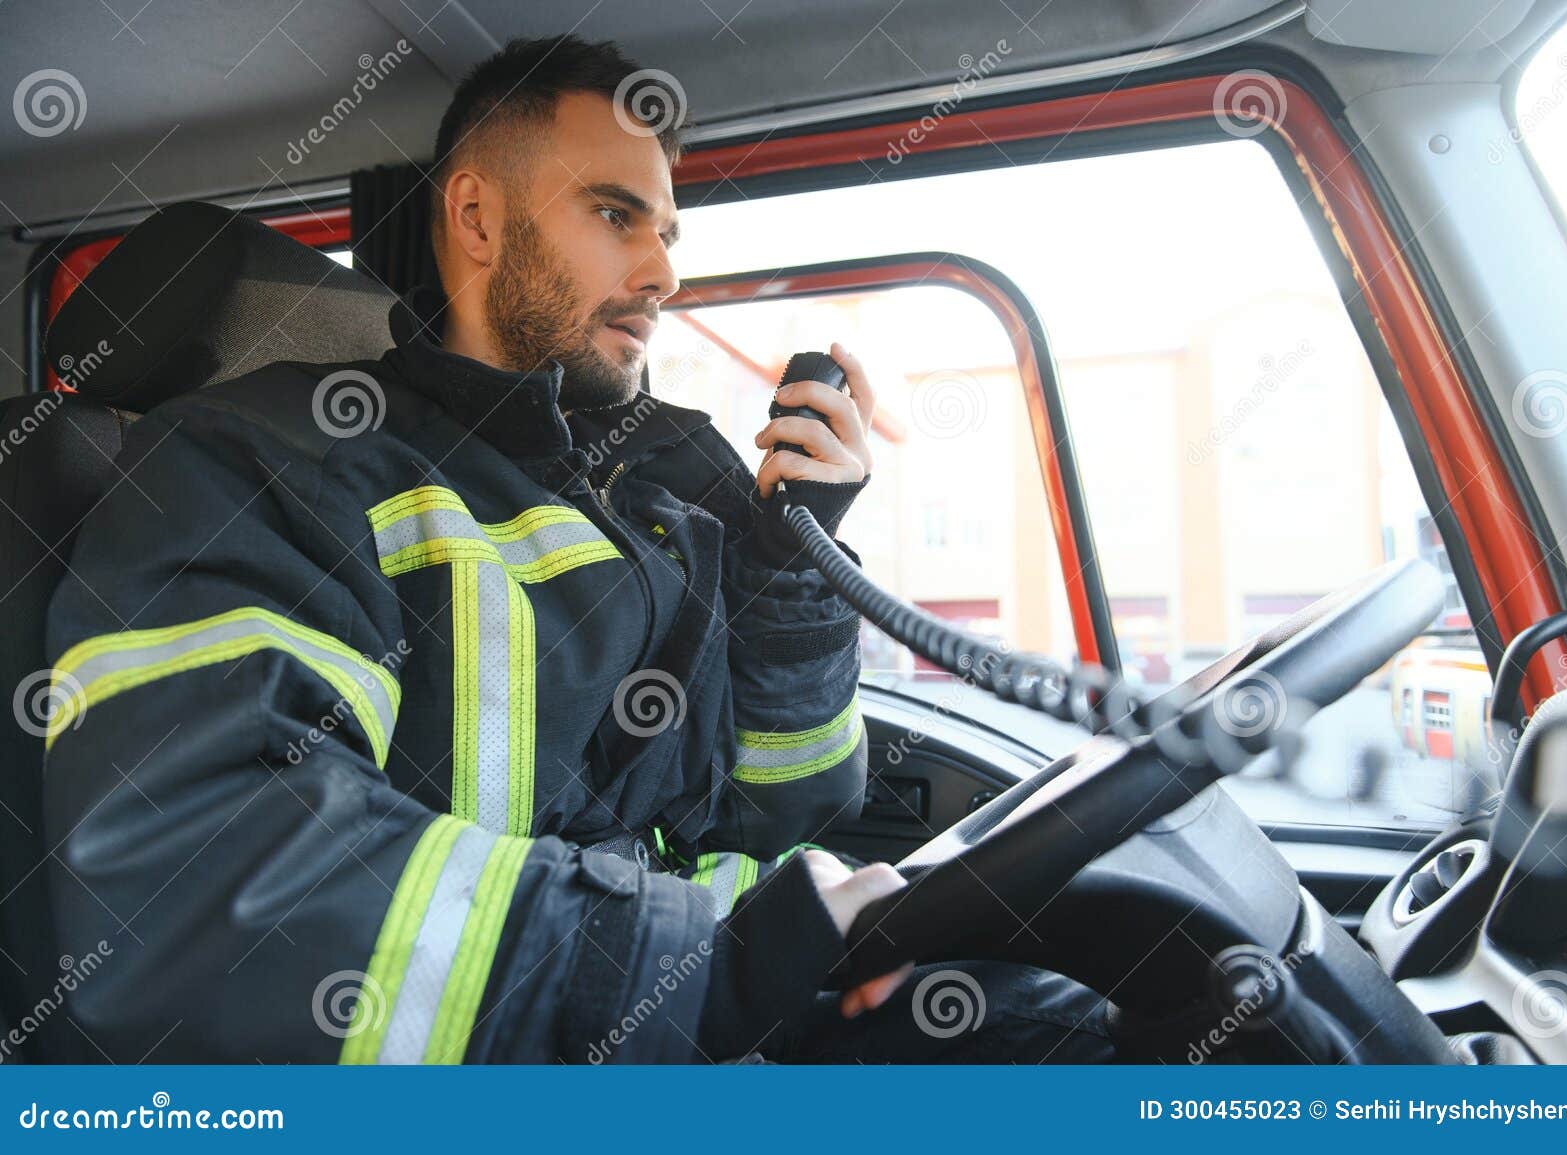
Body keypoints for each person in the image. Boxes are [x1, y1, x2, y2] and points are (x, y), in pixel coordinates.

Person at [42, 34, 1108, 1064]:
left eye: (668, 234)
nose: (661, 272)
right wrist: (696, 966)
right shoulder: (266, 462)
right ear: (477, 217)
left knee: (1122, 1012)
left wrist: (794, 565)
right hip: (522, 1063)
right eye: (614, 215)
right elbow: (208, 882)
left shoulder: (666, 490)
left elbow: (790, 805)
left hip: (716, 1022)